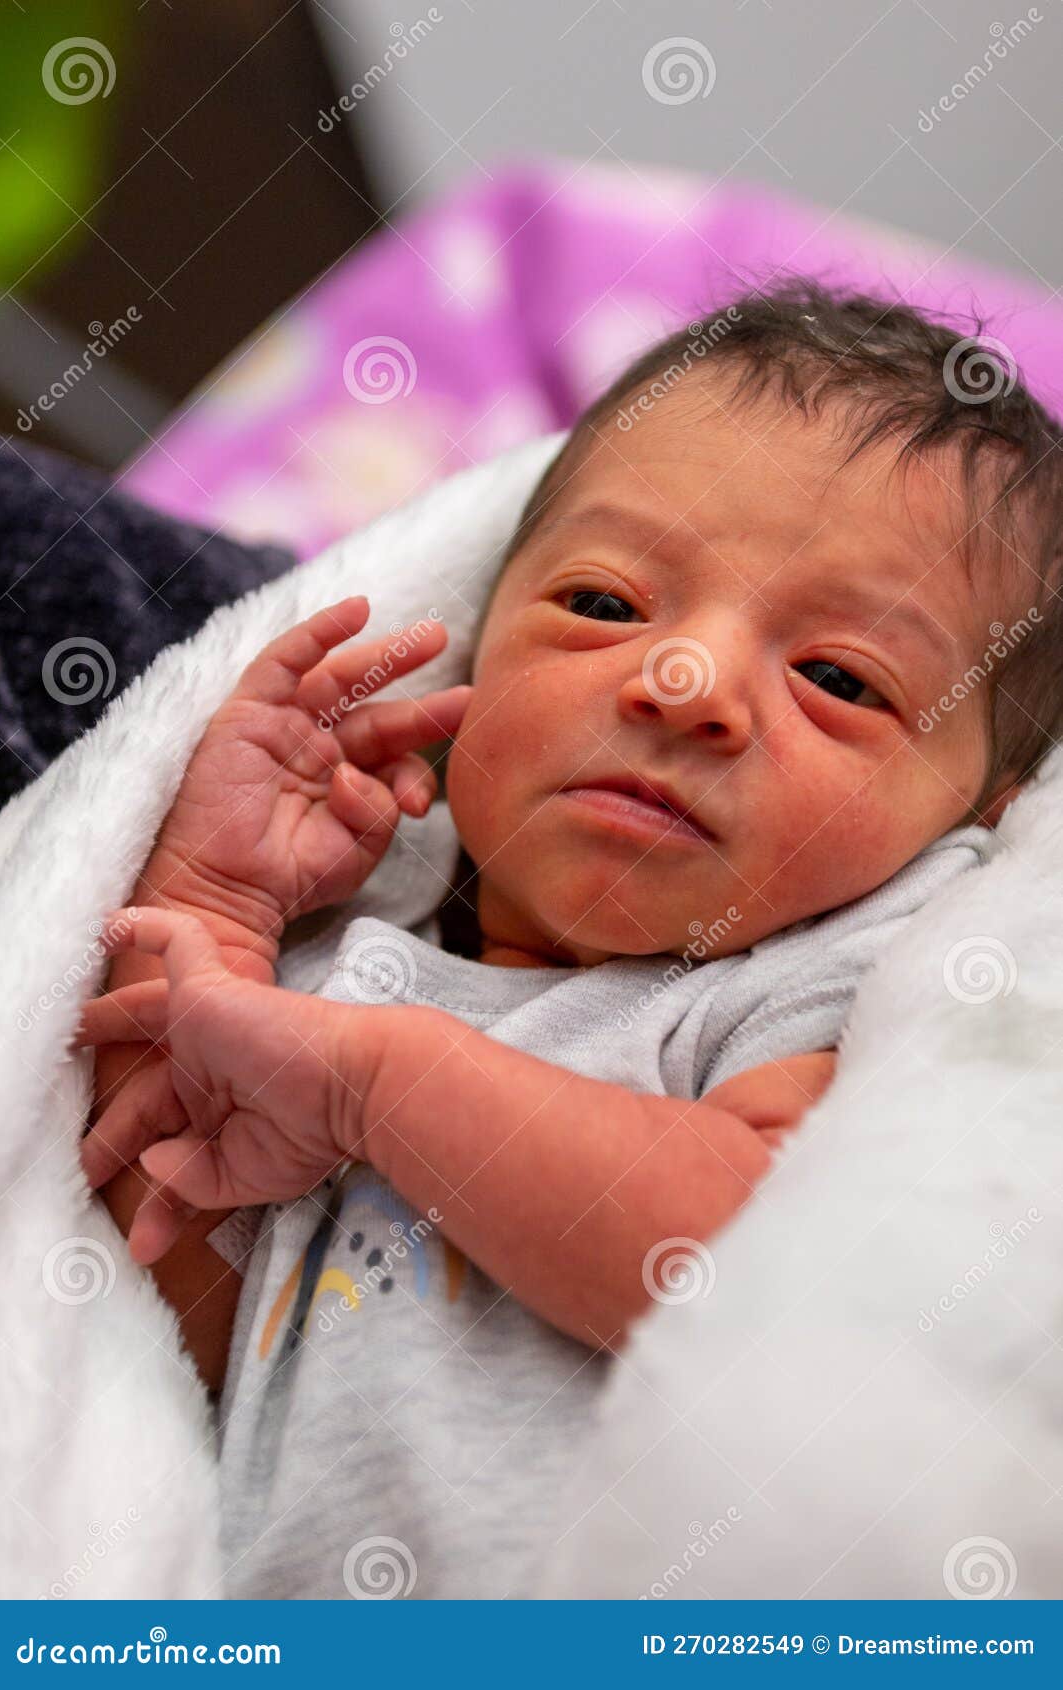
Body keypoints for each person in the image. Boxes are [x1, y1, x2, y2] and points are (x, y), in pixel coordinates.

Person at [77, 279, 1062, 1598]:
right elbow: (164, 1319)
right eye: (603, 603)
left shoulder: (816, 985)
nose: (685, 684)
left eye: (837, 679)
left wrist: (378, 1087)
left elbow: (762, 1262)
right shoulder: (351, 958)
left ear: (981, 806)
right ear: (473, 644)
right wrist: (203, 904)